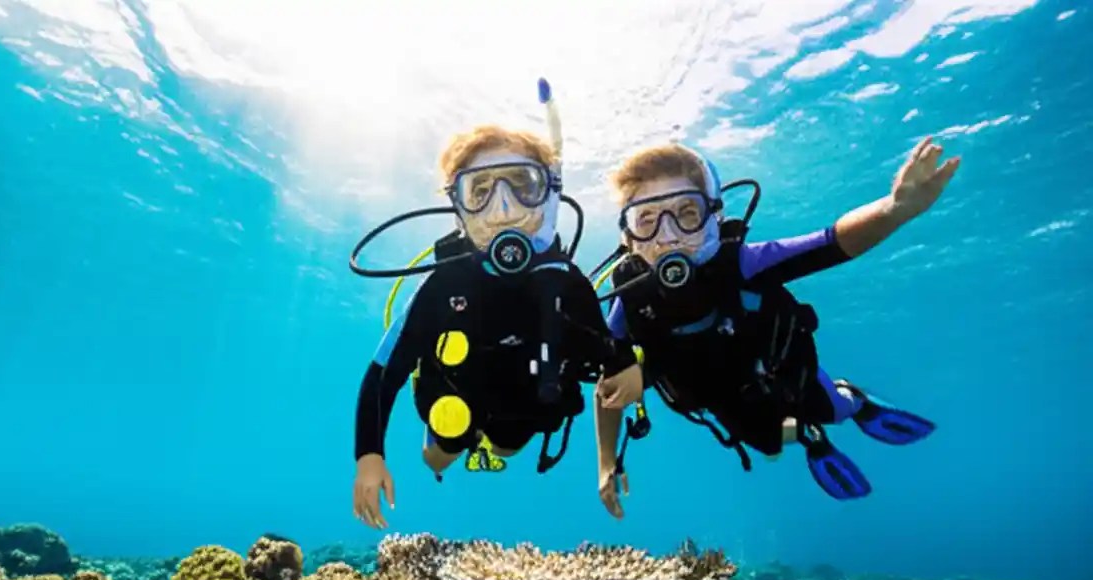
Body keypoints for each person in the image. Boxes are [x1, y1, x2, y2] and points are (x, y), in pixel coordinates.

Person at [591, 136, 960, 517]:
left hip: (786, 376)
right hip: (720, 399)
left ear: (715, 218)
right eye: (646, 220)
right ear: (627, 237)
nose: (667, 236)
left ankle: (853, 400)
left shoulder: (745, 263)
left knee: (829, 410)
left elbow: (832, 242)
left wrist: (895, 209)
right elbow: (610, 386)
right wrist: (605, 463)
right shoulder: (628, 304)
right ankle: (805, 435)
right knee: (772, 445)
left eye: (687, 213)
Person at [348, 80, 643, 530]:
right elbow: (381, 374)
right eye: (480, 190)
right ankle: (453, 440)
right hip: (454, 395)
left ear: (549, 195)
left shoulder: (564, 282)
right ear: (458, 207)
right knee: (439, 456)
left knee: (507, 445)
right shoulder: (443, 284)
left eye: (523, 185)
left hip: (525, 403)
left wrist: (633, 375)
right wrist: (369, 456)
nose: (503, 209)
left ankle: (491, 446)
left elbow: (613, 363)